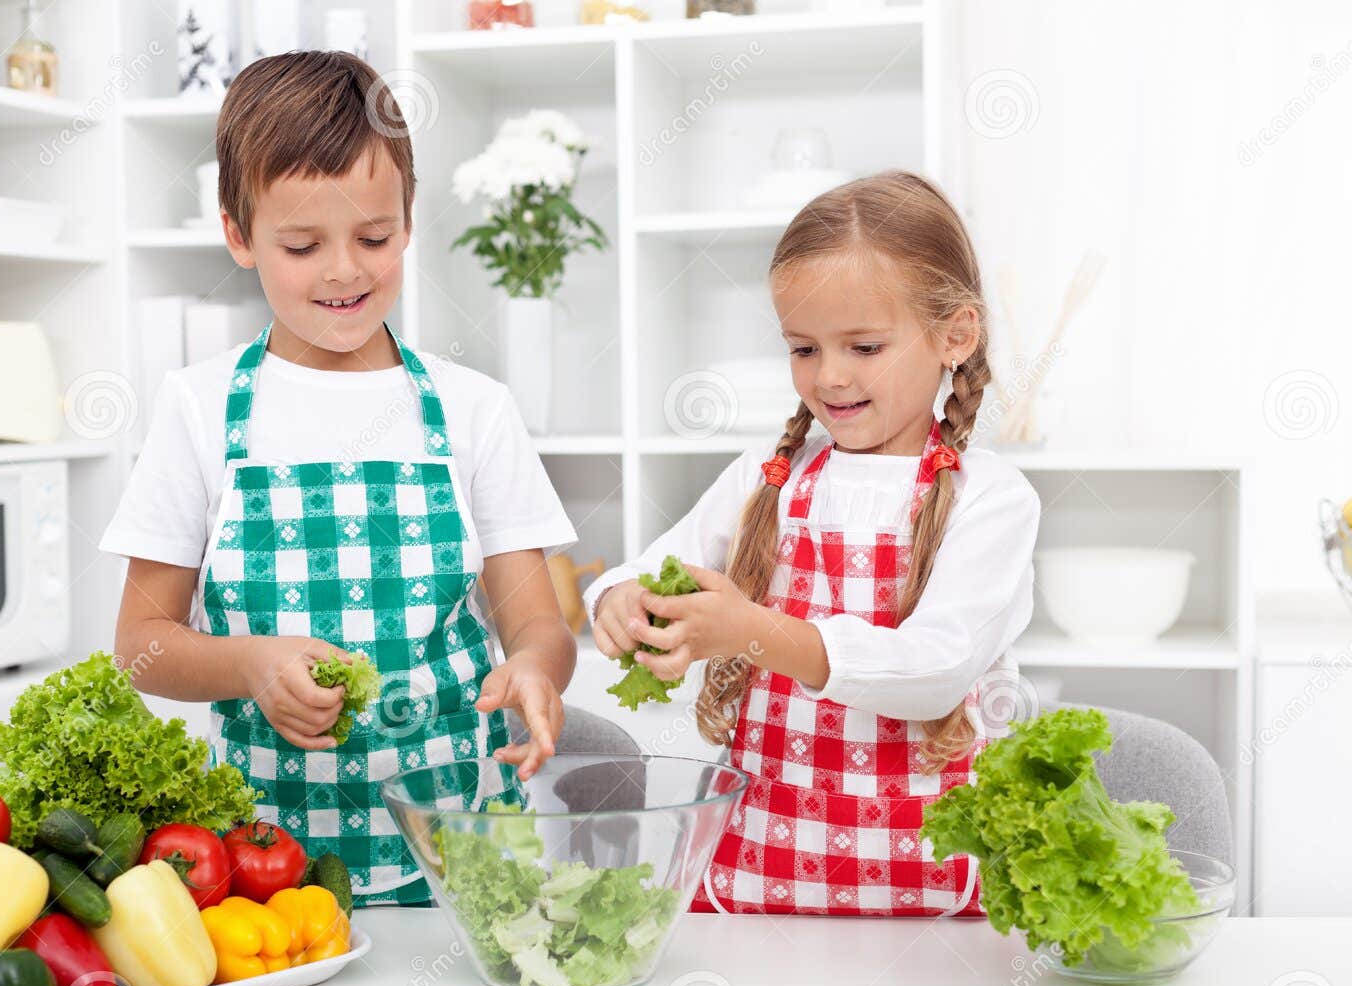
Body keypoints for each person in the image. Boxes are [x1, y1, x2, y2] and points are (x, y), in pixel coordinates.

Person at [102, 52, 578, 907]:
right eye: (301, 244)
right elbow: (140, 645)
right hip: (262, 878)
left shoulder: (474, 409)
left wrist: (539, 669)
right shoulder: (200, 409)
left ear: (408, 219)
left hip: (467, 859)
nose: (344, 272)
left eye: (373, 237)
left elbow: (538, 624)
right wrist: (249, 664)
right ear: (239, 235)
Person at [585, 171, 1041, 917]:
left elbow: (934, 671)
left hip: (928, 902)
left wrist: (755, 632)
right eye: (803, 348)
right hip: (755, 886)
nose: (829, 376)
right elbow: (643, 570)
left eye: (864, 346)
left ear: (955, 335)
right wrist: (622, 600)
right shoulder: (766, 478)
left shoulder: (990, 498)